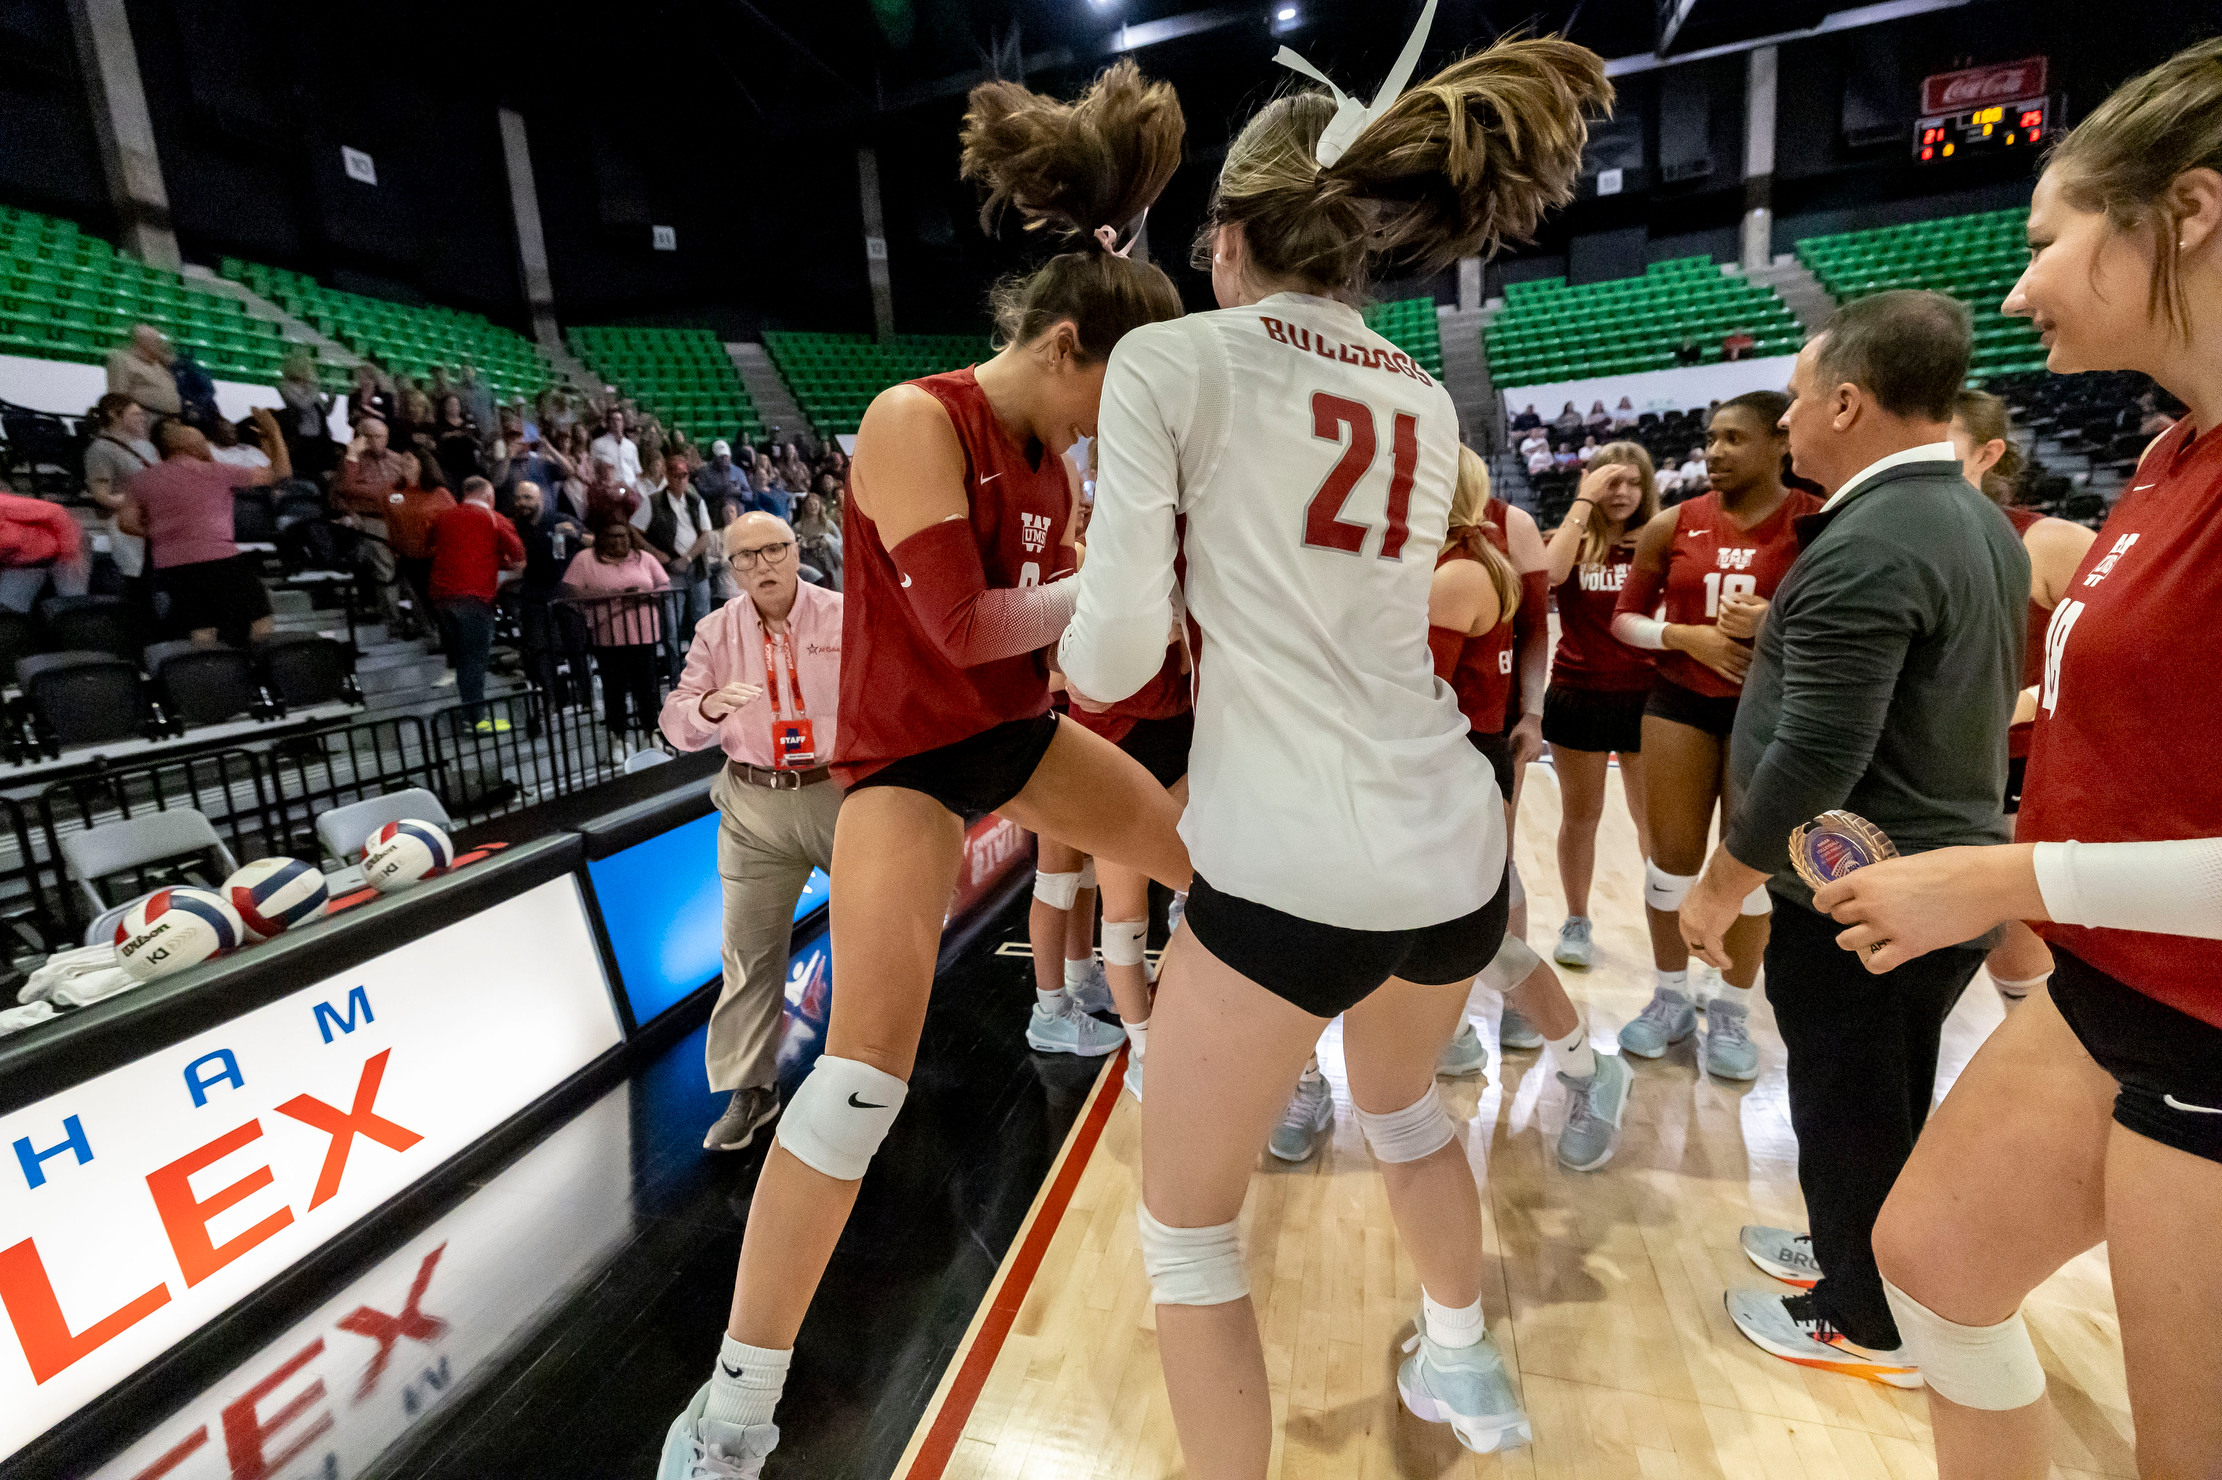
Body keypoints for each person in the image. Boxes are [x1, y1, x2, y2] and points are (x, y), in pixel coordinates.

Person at [1060, 30, 1610, 1472]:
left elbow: (1112, 661)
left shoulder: (1174, 358)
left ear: (1225, 238)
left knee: (1186, 1233)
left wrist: (1064, 609)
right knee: (1402, 1114)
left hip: (1286, 866)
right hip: (1449, 850)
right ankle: (1465, 1360)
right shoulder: (1421, 398)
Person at [658, 60, 1193, 1480]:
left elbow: (1065, 660)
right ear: (1071, 344)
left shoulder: (1058, 458)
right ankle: (734, 1405)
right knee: (854, 1086)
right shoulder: (916, 416)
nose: (1112, 435)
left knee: (1233, 882)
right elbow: (958, 630)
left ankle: (1283, 1088)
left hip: (1018, 732)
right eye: (1114, 401)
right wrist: (1115, 584)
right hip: (903, 760)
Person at [1808, 52, 2222, 1474]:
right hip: (2121, 989)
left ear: (2185, 214)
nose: (2013, 287)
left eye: (2042, 241)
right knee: (1927, 1260)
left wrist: (1993, 874)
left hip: (2210, 1029)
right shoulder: (2172, 458)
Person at [1669, 291, 2024, 1388]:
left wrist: (1717, 886)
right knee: (1877, 1089)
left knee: (1849, 1095)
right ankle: (1849, 1248)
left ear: (1846, 400)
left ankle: (1861, 1320)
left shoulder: (1868, 540)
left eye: (1790, 403)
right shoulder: (1968, 514)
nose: (1784, 425)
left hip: (1867, 891)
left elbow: (1818, 753)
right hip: (1932, 875)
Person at [1610, 390, 1818, 1079]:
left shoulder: (1817, 520)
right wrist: (1685, 637)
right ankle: (1670, 996)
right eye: (1711, 438)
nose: (1715, 452)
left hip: (1771, 711)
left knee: (1752, 862)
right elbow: (1624, 621)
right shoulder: (1675, 522)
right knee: (1670, 859)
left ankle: (1731, 1005)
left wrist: (1774, 627)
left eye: (1734, 439)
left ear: (1778, 445)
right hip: (1679, 702)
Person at [661, 512, 844, 1154]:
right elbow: (677, 722)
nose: (762, 565)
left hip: (837, 794)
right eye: (745, 558)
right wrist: (706, 707)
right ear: (731, 570)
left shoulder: (845, 616)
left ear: (797, 552)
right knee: (747, 954)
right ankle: (751, 1091)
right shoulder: (714, 631)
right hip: (752, 803)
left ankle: (864, 1075)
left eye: (774, 550)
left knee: (870, 940)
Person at [1953, 389, 2095, 1010]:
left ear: (1988, 454)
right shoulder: (1899, 541)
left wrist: (2018, 704)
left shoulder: (2049, 541)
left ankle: (2053, 1087)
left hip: (2020, 768)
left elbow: (2126, 658)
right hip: (1933, 769)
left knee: (2018, 944)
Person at [1542, 444, 1657, 967]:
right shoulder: (1571, 541)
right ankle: (1577, 919)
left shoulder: (1660, 542)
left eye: (1633, 482)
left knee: (1652, 822)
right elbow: (1547, 577)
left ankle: (1667, 919)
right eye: (1612, 482)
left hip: (1648, 697)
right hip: (1578, 692)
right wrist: (1582, 503)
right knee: (1581, 817)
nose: (1623, 493)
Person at [120, 410, 292, 646]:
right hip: (217, 558)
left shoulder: (141, 480)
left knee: (201, 627)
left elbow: (126, 523)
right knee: (259, 617)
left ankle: (209, 675)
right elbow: (280, 474)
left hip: (170, 564)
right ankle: (262, 666)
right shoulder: (217, 472)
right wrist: (273, 434)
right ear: (193, 448)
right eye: (202, 442)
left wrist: (163, 532)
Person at [428, 476, 525, 730]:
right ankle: (475, 720)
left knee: (461, 659)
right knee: (473, 661)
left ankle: (468, 711)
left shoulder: (444, 517)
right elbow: (518, 558)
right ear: (489, 496)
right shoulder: (494, 519)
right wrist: (497, 562)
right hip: (475, 597)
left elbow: (429, 547)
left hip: (440, 597)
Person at [562, 519, 671, 744]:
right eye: (612, 536)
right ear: (601, 538)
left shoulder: (644, 558)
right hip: (607, 637)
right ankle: (618, 737)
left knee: (648, 688)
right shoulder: (585, 559)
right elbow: (571, 592)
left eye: (624, 536)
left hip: (645, 634)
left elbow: (664, 585)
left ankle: (652, 733)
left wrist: (646, 594)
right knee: (614, 690)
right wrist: (611, 595)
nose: (619, 540)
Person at [334, 415, 411, 632]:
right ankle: (393, 621)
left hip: (400, 517)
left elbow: (405, 494)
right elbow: (342, 493)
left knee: (408, 570)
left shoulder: (398, 460)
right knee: (385, 570)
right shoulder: (351, 462)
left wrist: (387, 498)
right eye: (371, 437)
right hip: (369, 521)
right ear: (362, 438)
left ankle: (411, 618)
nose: (377, 441)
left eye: (381, 436)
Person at [632, 449, 716, 640]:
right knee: (671, 622)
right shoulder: (653, 502)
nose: (680, 480)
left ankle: (702, 665)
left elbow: (706, 534)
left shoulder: (696, 501)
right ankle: (674, 667)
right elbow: (633, 530)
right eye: (675, 475)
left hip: (696, 566)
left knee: (702, 620)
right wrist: (654, 552)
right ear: (667, 476)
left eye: (684, 475)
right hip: (669, 567)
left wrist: (688, 558)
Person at [82, 392, 156, 591]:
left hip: (153, 518)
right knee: (139, 582)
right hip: (126, 522)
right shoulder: (100, 449)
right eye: (136, 415)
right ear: (114, 415)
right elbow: (102, 495)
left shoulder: (147, 446)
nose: (142, 419)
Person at [385, 450, 457, 644]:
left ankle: (449, 638)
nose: (403, 462)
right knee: (422, 600)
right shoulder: (394, 493)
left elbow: (454, 525)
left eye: (409, 459)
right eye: (402, 458)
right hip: (409, 558)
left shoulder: (439, 493)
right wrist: (395, 549)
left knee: (441, 600)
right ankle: (436, 636)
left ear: (422, 463)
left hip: (436, 558)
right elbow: (391, 520)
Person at [0, 492, 88, 614]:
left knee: (73, 605)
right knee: (9, 612)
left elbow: (56, 512)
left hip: (66, 542)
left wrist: (69, 552)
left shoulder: (3, 505)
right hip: (24, 560)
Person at [277, 349, 334, 478]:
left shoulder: (310, 388)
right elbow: (303, 404)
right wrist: (313, 387)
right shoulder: (285, 385)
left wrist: (331, 400)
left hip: (319, 436)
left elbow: (324, 411)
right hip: (301, 437)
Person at [106, 324, 180, 417]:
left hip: (170, 419)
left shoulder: (159, 364)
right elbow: (118, 397)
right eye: (156, 341)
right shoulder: (122, 360)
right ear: (142, 342)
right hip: (145, 419)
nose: (161, 345)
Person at [591, 408, 644, 495]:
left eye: (619, 420)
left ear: (623, 423)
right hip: (610, 490)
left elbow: (636, 471)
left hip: (630, 488)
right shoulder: (598, 444)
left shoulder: (631, 446)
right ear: (609, 423)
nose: (616, 423)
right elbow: (594, 469)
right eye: (613, 420)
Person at [696, 438, 752, 508]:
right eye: (721, 457)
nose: (724, 460)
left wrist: (737, 492)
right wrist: (719, 491)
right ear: (714, 457)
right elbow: (701, 493)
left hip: (736, 505)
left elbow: (749, 495)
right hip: (715, 506)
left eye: (726, 457)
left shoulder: (738, 471)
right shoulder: (705, 471)